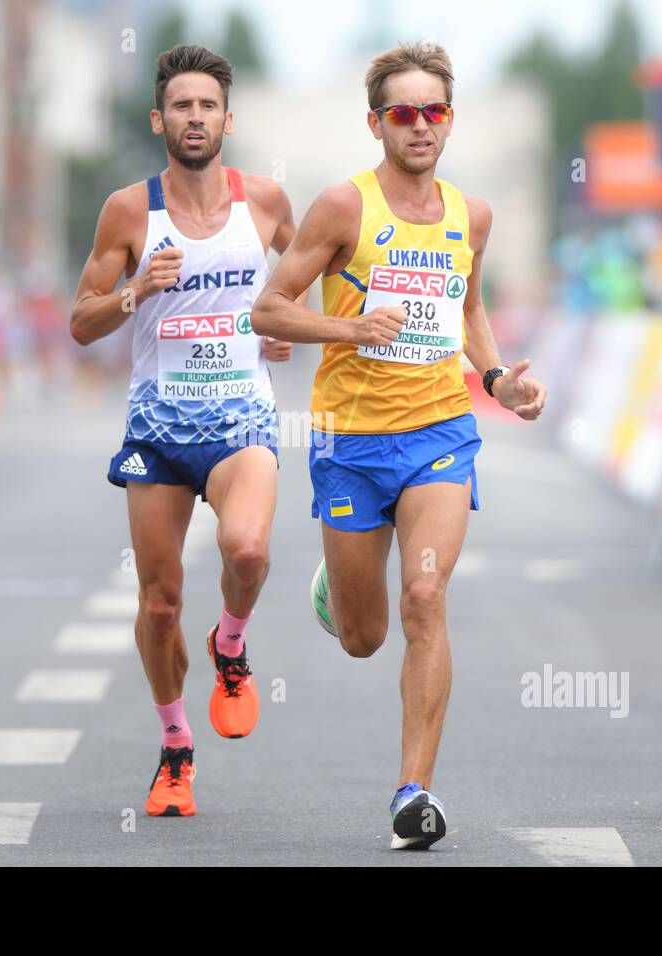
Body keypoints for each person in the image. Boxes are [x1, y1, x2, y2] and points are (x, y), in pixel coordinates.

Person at [251, 42, 547, 849]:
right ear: (377, 122)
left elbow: (469, 309)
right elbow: (269, 311)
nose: (421, 127)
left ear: (451, 118)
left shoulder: (471, 215)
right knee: (364, 637)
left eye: (435, 111)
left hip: (439, 434)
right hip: (350, 441)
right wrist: (349, 325)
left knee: (426, 599)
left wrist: (498, 381)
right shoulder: (342, 208)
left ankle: (413, 793)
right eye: (404, 113)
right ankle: (340, 588)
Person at [70, 45, 295, 817]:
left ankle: (230, 645)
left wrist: (286, 325)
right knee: (160, 603)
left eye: (208, 106)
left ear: (228, 119)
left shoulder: (265, 203)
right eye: (181, 106)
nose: (195, 118)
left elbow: (314, 275)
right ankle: (174, 747)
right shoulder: (129, 211)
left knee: (249, 549)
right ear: (158, 118)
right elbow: (80, 322)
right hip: (159, 429)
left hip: (241, 419)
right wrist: (135, 290)